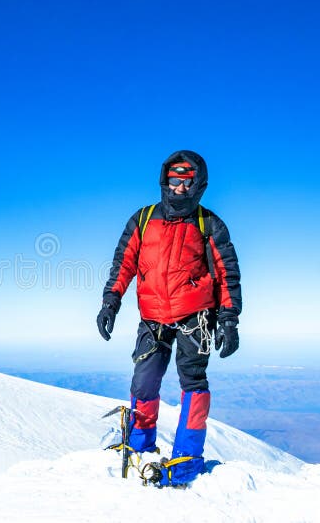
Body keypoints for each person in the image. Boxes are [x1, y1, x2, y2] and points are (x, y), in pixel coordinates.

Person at [97, 150, 242, 486]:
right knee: (144, 382)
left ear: (199, 184)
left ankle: (187, 458)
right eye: (175, 180)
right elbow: (124, 263)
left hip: (196, 318)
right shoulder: (143, 219)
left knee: (193, 383)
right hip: (152, 319)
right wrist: (110, 302)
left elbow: (227, 273)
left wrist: (229, 319)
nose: (179, 188)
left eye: (187, 181)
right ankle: (140, 445)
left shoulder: (209, 224)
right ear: (165, 180)